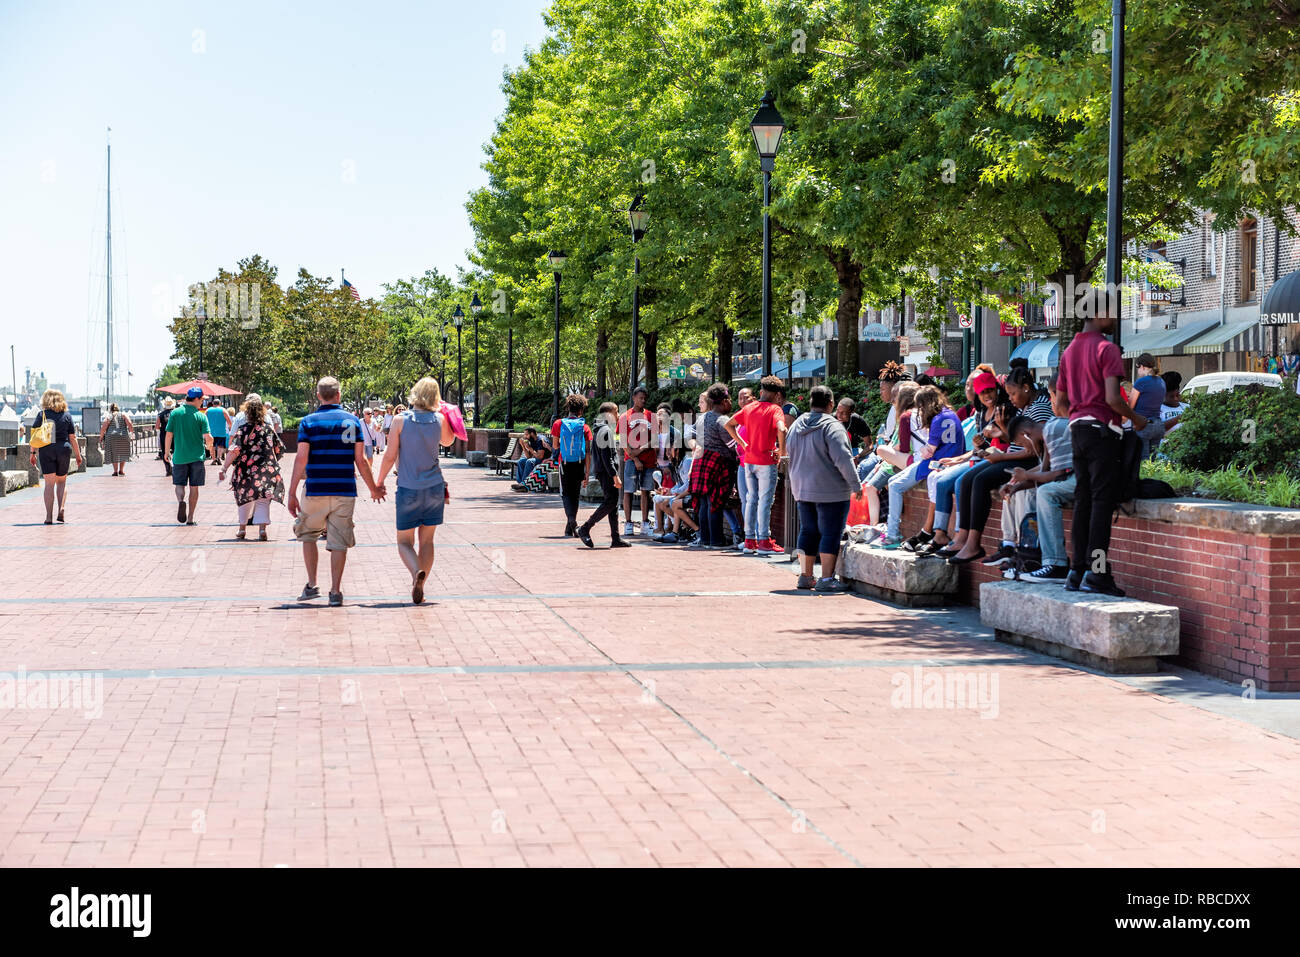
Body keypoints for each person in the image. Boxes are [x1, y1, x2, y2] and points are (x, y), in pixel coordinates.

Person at [1056, 303, 1144, 595]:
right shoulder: (1107, 349)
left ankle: (1076, 570)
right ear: (1099, 313)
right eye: (1113, 312)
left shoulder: (1068, 352)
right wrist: (1137, 419)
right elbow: (1113, 399)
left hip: (1077, 430)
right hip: (1102, 432)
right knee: (1101, 503)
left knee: (1083, 500)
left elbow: (1060, 404)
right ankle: (1097, 574)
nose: (1116, 318)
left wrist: (1078, 415)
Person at [288, 376, 386, 606]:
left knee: (308, 535)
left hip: (315, 489)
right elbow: (361, 460)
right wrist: (373, 489)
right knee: (339, 542)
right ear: (339, 395)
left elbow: (301, 459)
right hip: (344, 489)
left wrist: (292, 491)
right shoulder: (352, 421)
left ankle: (312, 585)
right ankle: (335, 591)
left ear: (319, 395)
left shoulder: (308, 422)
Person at [946, 367, 1051, 565]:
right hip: (1012, 456)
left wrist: (1001, 456)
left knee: (980, 480)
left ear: (1026, 388)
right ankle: (965, 538)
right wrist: (999, 438)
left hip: (1026, 461)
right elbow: (1019, 440)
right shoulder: (1025, 406)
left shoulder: (1040, 408)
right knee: (967, 480)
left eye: (1013, 393)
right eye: (1009, 394)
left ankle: (975, 543)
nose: (1010, 398)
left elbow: (1034, 450)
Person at [374, 377, 454, 604]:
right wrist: (446, 415)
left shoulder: (400, 420)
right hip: (434, 487)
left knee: (404, 542)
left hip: (408, 487)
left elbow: (390, 456)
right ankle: (422, 583)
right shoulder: (439, 419)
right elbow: (448, 442)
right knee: (427, 541)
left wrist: (379, 481)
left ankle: (415, 573)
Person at [787, 384, 862, 592]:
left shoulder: (797, 424)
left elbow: (788, 451)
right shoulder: (833, 426)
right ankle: (827, 579)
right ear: (830, 404)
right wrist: (856, 484)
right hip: (831, 490)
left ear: (811, 403)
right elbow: (843, 459)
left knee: (808, 530)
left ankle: (805, 576)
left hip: (802, 487)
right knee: (831, 532)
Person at [1010, 377, 1076, 582]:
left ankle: (1055, 562)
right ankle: (1026, 554)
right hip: (1083, 476)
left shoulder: (1054, 427)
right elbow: (1047, 469)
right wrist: (1019, 484)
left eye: (1051, 396)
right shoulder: (1051, 428)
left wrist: (1026, 475)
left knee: (1046, 493)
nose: (1050, 402)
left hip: (1086, 479)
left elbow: (1056, 475)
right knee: (1039, 490)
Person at [883, 385, 964, 549]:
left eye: (919, 406)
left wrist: (922, 448)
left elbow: (928, 451)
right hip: (947, 458)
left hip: (937, 462)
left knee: (895, 484)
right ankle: (926, 532)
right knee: (892, 480)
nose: (919, 410)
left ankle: (893, 534)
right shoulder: (950, 414)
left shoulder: (936, 419)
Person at [725, 374, 788, 555]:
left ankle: (749, 540)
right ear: (776, 395)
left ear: (761, 392)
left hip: (749, 461)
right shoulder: (775, 409)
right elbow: (782, 428)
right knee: (765, 501)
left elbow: (729, 425)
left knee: (751, 499)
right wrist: (782, 452)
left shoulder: (749, 408)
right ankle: (763, 541)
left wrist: (742, 443)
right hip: (766, 461)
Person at [218, 395, 285, 542]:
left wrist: (224, 468)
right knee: (263, 499)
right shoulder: (268, 429)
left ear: (247, 412)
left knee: (245, 498)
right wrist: (272, 460)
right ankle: (262, 530)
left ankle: (242, 529)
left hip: (245, 470)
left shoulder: (242, 430)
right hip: (266, 469)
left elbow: (234, 450)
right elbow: (279, 448)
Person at [688, 384, 739, 550]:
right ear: (724, 401)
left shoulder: (703, 417)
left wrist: (695, 445)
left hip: (701, 462)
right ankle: (716, 540)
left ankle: (705, 538)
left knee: (704, 502)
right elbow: (733, 445)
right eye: (729, 400)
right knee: (715, 502)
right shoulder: (723, 420)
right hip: (719, 464)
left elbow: (690, 434)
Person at [576, 402, 630, 549]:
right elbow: (607, 457)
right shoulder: (605, 431)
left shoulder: (601, 429)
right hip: (607, 473)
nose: (618, 415)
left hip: (603, 472)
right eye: (616, 412)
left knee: (613, 505)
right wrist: (614, 475)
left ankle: (616, 538)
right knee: (610, 502)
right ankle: (585, 528)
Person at [29, 388, 82, 524]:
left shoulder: (42, 415)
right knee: (62, 482)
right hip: (64, 449)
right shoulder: (67, 416)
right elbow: (73, 437)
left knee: (49, 484)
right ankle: (61, 508)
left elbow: (34, 436)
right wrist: (78, 455)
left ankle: (48, 517)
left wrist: (33, 453)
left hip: (47, 449)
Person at [164, 386, 215, 525]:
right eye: (202, 400)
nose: (203, 402)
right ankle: (191, 518)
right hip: (197, 457)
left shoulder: (175, 413)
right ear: (197, 399)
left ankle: (181, 501)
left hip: (179, 457)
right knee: (194, 487)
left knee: (179, 485)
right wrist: (210, 446)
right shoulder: (200, 416)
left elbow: (169, 434)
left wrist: (166, 452)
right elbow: (208, 437)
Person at [552, 393, 593, 537]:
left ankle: (571, 521)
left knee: (566, 494)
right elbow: (588, 451)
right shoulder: (585, 426)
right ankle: (570, 527)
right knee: (575, 494)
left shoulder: (558, 424)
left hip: (564, 463)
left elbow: (555, 445)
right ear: (581, 410)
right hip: (579, 463)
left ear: (568, 407)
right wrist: (587, 472)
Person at [619, 386, 658, 536]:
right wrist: (635, 458)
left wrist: (640, 449)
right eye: (640, 398)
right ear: (634, 398)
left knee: (645, 491)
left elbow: (654, 440)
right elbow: (623, 442)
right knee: (628, 491)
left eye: (644, 398)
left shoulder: (651, 416)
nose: (642, 401)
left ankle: (645, 522)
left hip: (648, 460)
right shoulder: (625, 416)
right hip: (631, 460)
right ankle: (628, 523)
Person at [1129, 352, 1167, 459]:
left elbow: (1130, 406)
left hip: (1143, 425)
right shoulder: (1161, 381)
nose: (1138, 371)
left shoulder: (1140, 382)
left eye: (1137, 368)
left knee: (1143, 462)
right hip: (1158, 425)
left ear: (1141, 366)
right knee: (1153, 464)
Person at [99, 402, 134, 476]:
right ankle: (121, 470)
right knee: (123, 452)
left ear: (111, 409)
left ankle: (115, 471)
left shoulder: (109, 416)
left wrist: (101, 437)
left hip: (112, 437)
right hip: (123, 435)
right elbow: (130, 424)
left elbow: (103, 427)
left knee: (114, 453)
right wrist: (131, 433)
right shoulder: (123, 415)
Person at [1159, 371, 1188, 435]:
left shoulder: (1187, 407)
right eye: (1171, 396)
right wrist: (1179, 418)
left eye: (1177, 395)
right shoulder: (1157, 410)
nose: (1176, 399)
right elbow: (1157, 430)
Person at [205, 399, 233, 464]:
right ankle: (219, 457)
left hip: (210, 432)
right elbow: (229, 422)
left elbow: (204, 420)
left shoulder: (208, 410)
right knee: (221, 446)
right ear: (220, 403)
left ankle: (214, 459)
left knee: (212, 446)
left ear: (213, 403)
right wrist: (230, 429)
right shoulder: (223, 410)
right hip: (221, 432)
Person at [157, 398, 175, 476]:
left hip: (164, 435)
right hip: (175, 435)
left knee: (165, 452)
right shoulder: (175, 413)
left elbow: (157, 426)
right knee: (176, 451)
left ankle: (168, 469)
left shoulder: (160, 414)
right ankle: (174, 467)